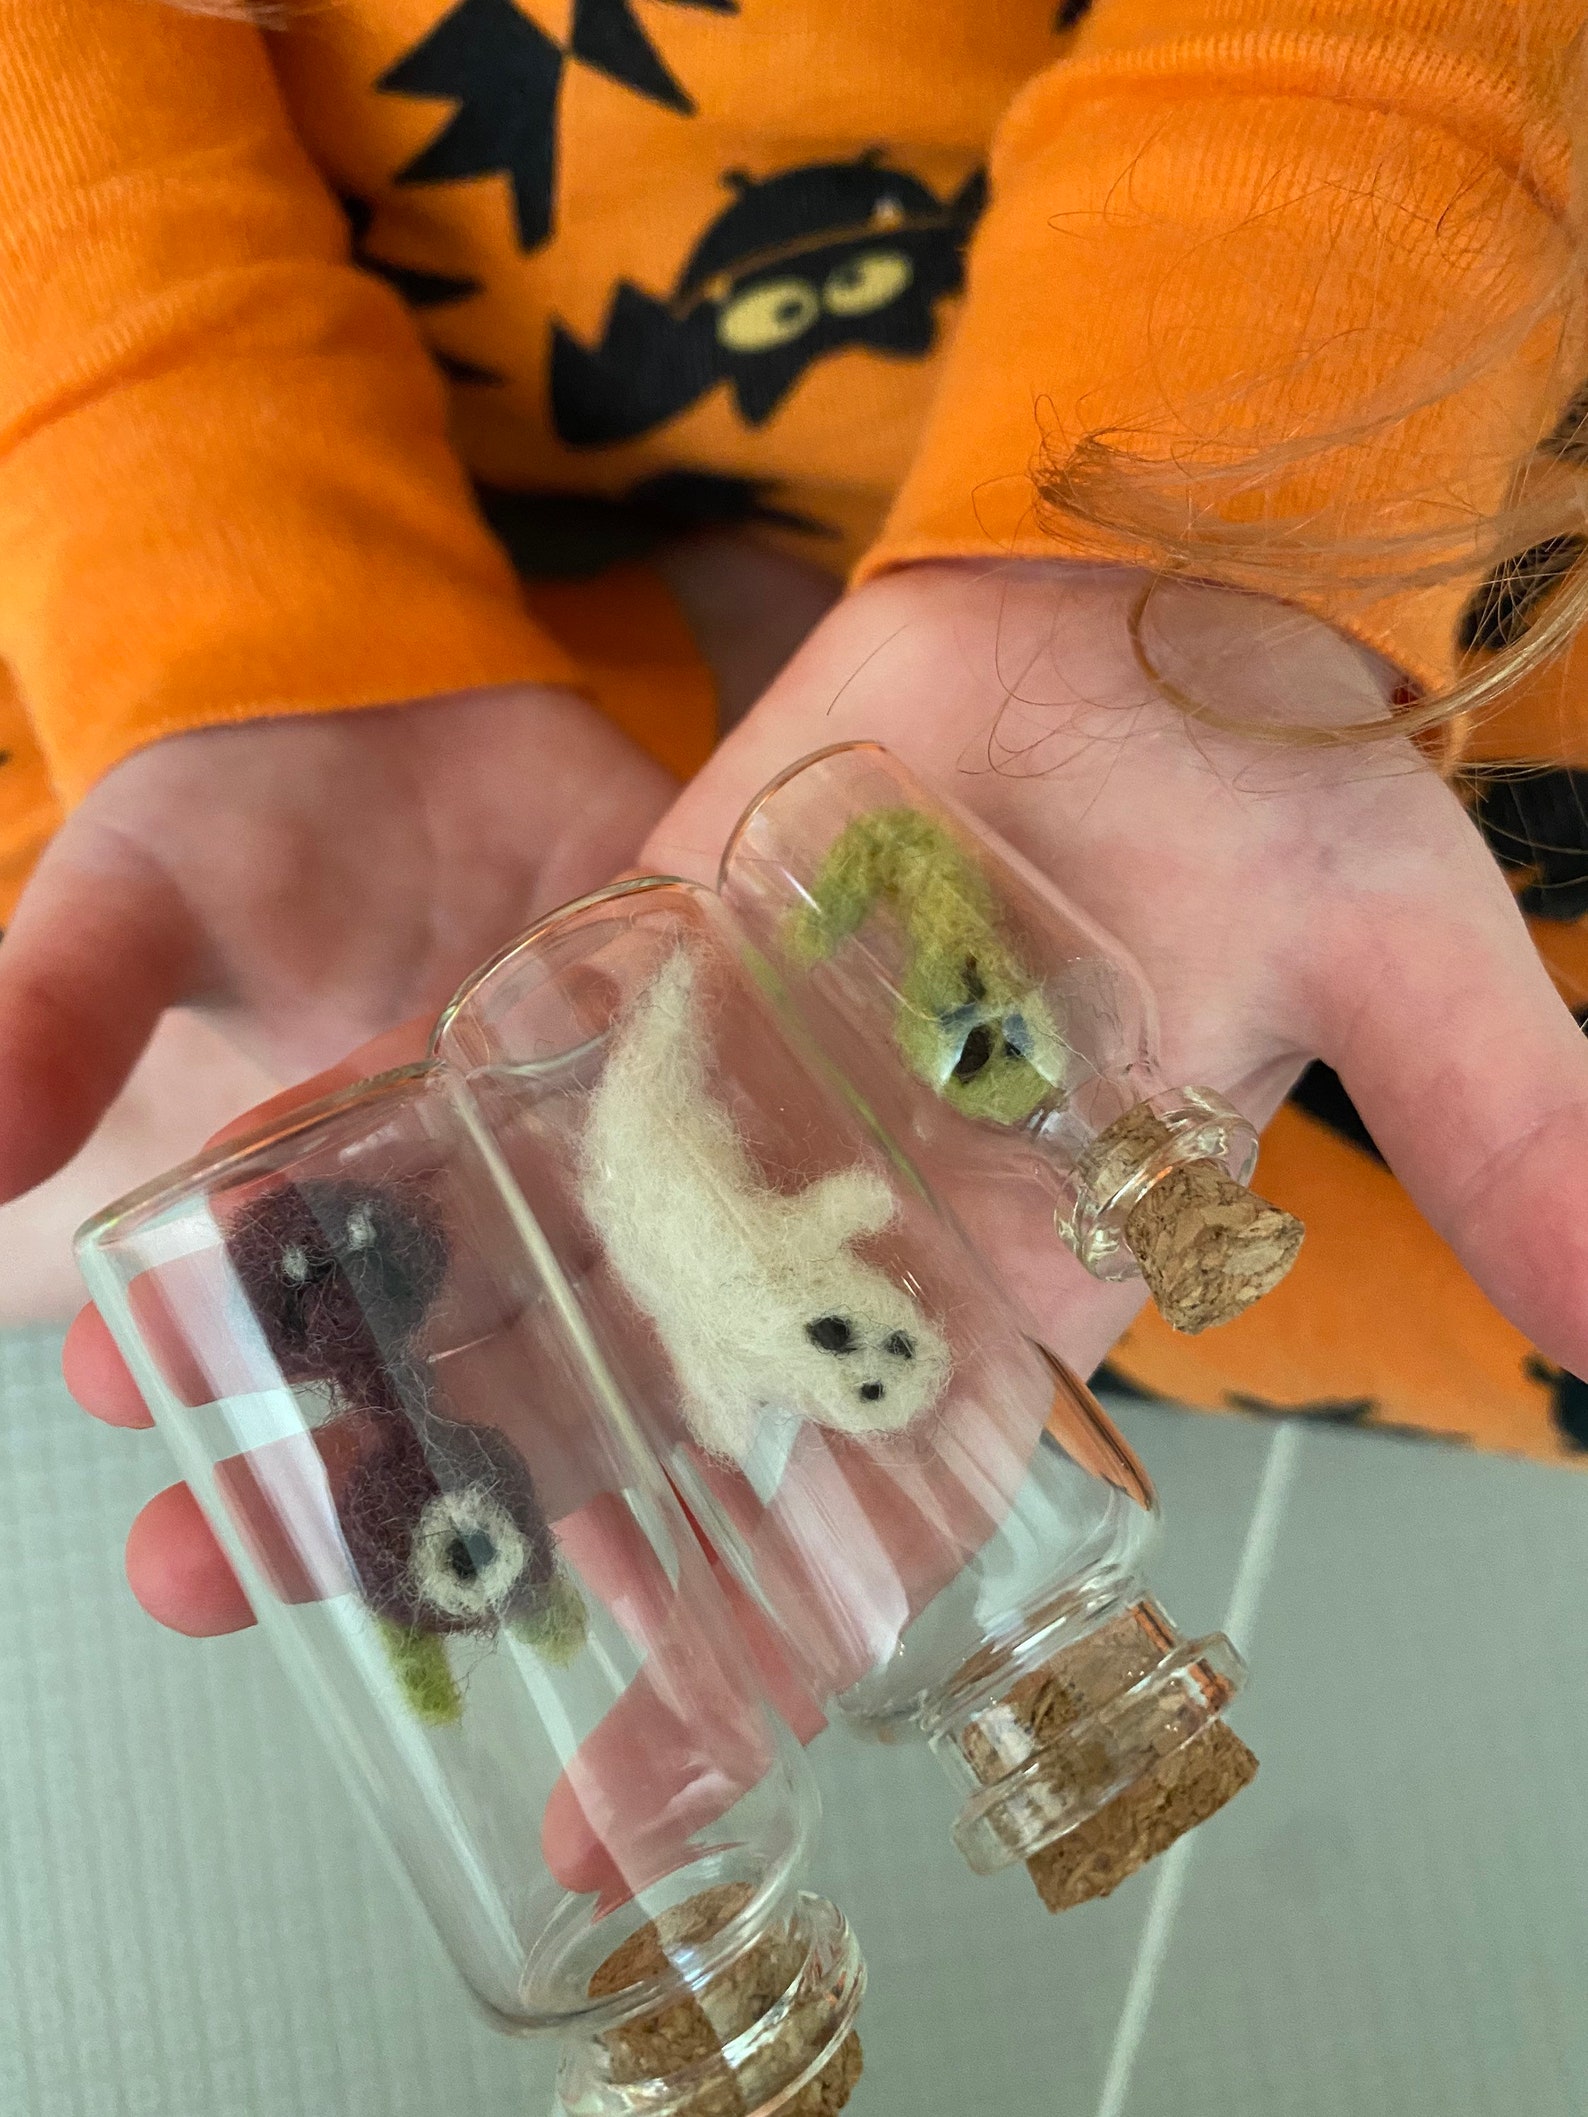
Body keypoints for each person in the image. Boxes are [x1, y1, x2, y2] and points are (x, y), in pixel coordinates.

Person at [13, 0, 1588, 1647]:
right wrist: (212, 522)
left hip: (1268, 383)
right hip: (396, 368)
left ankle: (701, 689)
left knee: (1297, 1108)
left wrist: (1205, 535)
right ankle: (669, 692)